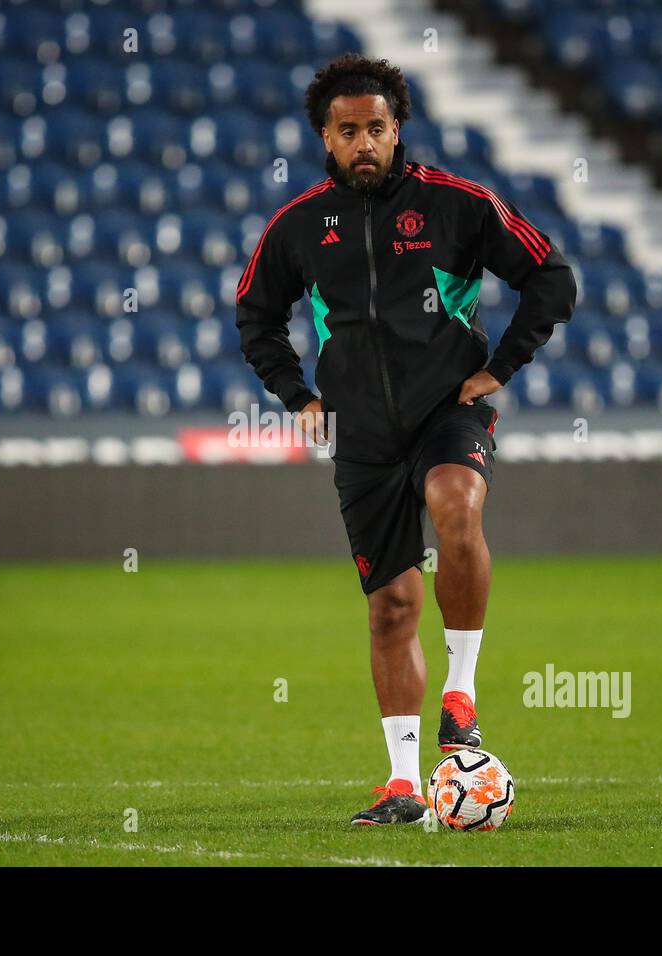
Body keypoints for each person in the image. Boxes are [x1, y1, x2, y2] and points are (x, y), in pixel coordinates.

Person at [236, 55, 576, 824]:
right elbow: (255, 315)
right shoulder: (297, 228)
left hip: (447, 409)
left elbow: (549, 277)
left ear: (399, 131)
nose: (364, 142)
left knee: (456, 503)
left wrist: (499, 368)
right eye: (347, 130)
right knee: (391, 606)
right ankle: (401, 786)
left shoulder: (457, 206)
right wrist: (296, 395)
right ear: (325, 136)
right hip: (360, 433)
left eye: (377, 128)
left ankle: (462, 694)